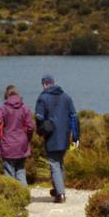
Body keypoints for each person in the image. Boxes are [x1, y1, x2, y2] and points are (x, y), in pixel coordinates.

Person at [35, 74, 79, 203]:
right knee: (59, 163)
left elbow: (39, 118)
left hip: (51, 136)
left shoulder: (42, 98)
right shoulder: (66, 97)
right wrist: (75, 137)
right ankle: (58, 189)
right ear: (54, 83)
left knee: (54, 164)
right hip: (65, 136)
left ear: (44, 84)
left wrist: (40, 132)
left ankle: (60, 194)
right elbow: (74, 117)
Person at [0, 84, 34, 186]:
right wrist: (27, 139)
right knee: (20, 170)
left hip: (8, 144)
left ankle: (11, 197)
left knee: (9, 172)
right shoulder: (24, 107)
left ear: (6, 95)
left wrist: (0, 138)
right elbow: (31, 127)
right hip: (22, 144)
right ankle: (24, 194)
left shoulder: (3, 108)